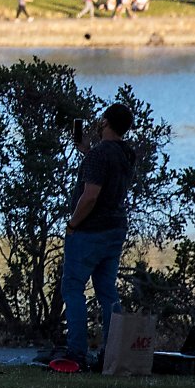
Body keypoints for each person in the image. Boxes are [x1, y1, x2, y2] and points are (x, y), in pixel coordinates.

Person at [56, 103, 138, 370]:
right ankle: (111, 353)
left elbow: (90, 196)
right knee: (106, 292)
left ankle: (76, 352)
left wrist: (72, 223)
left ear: (105, 122)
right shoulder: (126, 153)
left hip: (90, 231)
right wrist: (86, 151)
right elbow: (107, 169)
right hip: (116, 229)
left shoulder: (99, 155)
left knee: (73, 288)